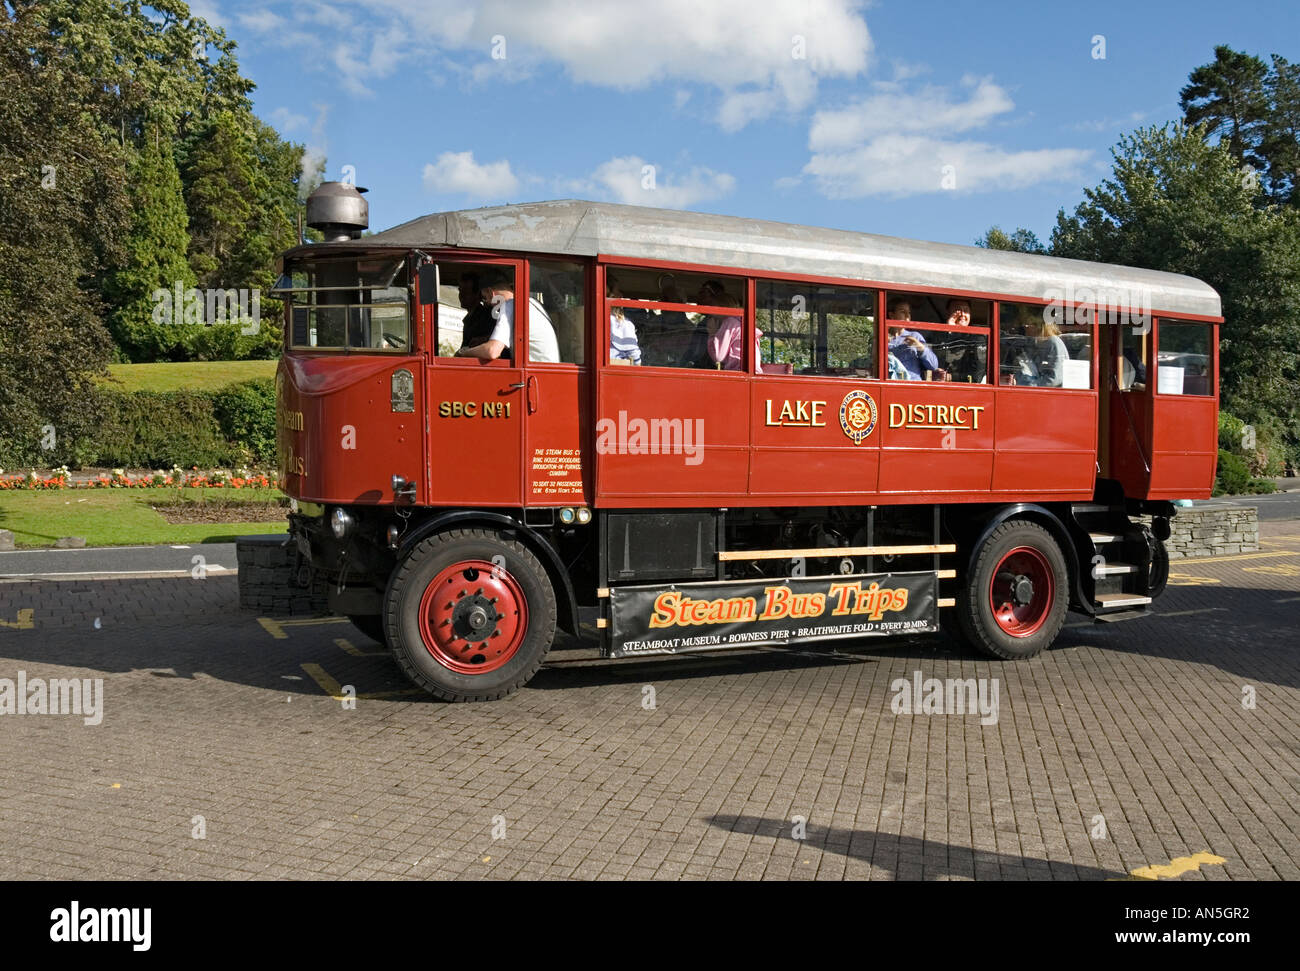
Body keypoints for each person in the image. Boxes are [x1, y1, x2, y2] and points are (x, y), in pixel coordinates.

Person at [456, 273, 560, 363]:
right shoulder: (532, 303)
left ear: (490, 292)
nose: (487, 303)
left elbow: (492, 351)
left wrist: (463, 353)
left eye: (485, 298)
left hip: (536, 375)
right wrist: (486, 339)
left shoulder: (509, 305)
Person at [700, 279, 759, 370]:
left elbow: (718, 356)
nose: (711, 315)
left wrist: (712, 334)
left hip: (738, 369)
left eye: (712, 310)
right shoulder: (740, 323)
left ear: (720, 309)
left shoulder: (729, 322)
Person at [886, 298, 937, 380]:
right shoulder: (882, 337)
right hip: (890, 383)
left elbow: (934, 365)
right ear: (891, 315)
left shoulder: (915, 336)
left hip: (912, 384)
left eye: (909, 312)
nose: (907, 315)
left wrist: (920, 347)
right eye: (903, 312)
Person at [455, 271, 502, 357]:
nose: (461, 295)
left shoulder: (487, 317)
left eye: (466, 291)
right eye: (460, 290)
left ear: (477, 294)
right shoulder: (469, 318)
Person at [607, 282, 641, 365]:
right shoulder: (624, 323)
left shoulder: (599, 317)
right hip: (617, 368)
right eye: (618, 291)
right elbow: (633, 353)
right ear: (612, 296)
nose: (621, 295)